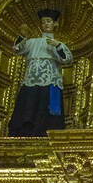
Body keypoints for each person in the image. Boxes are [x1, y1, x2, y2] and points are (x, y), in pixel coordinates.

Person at [8, 9, 73, 137]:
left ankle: (51, 133)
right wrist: (22, 35)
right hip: (32, 80)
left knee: (51, 110)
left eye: (49, 21)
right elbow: (17, 49)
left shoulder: (58, 44)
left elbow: (67, 59)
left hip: (52, 81)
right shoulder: (32, 42)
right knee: (29, 105)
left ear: (55, 24)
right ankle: (25, 131)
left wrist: (57, 46)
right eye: (43, 22)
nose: (46, 24)